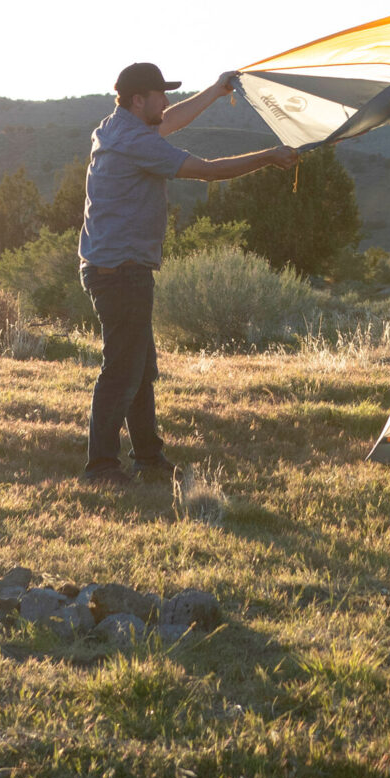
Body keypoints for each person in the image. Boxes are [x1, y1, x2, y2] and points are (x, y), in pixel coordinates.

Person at [78, 62, 300, 486]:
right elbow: (208, 170)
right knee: (123, 371)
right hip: (120, 271)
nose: (167, 101)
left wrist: (216, 91)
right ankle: (101, 468)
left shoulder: (116, 127)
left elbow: (170, 120)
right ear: (139, 99)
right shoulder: (133, 140)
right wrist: (270, 156)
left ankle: (148, 458)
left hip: (117, 267)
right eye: (161, 94)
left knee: (138, 369)